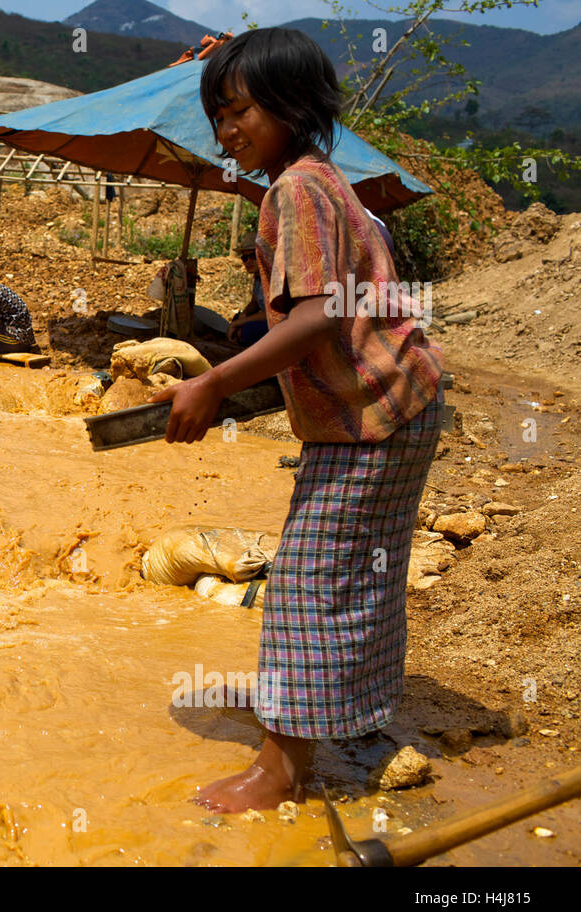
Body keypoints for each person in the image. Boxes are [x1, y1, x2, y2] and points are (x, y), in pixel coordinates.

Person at [149, 28, 444, 813]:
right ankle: (343, 716)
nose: (224, 131)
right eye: (217, 114)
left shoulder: (298, 190)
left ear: (290, 104)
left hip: (373, 412)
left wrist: (213, 382)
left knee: (310, 584)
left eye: (238, 110)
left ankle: (282, 770)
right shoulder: (309, 181)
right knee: (352, 576)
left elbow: (315, 319)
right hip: (392, 403)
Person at [228, 231, 268, 345]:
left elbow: (268, 313)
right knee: (238, 319)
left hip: (277, 323)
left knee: (245, 331)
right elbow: (255, 302)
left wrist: (239, 323)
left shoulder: (270, 278)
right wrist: (244, 314)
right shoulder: (258, 278)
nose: (248, 262)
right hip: (265, 319)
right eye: (245, 258)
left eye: (253, 256)